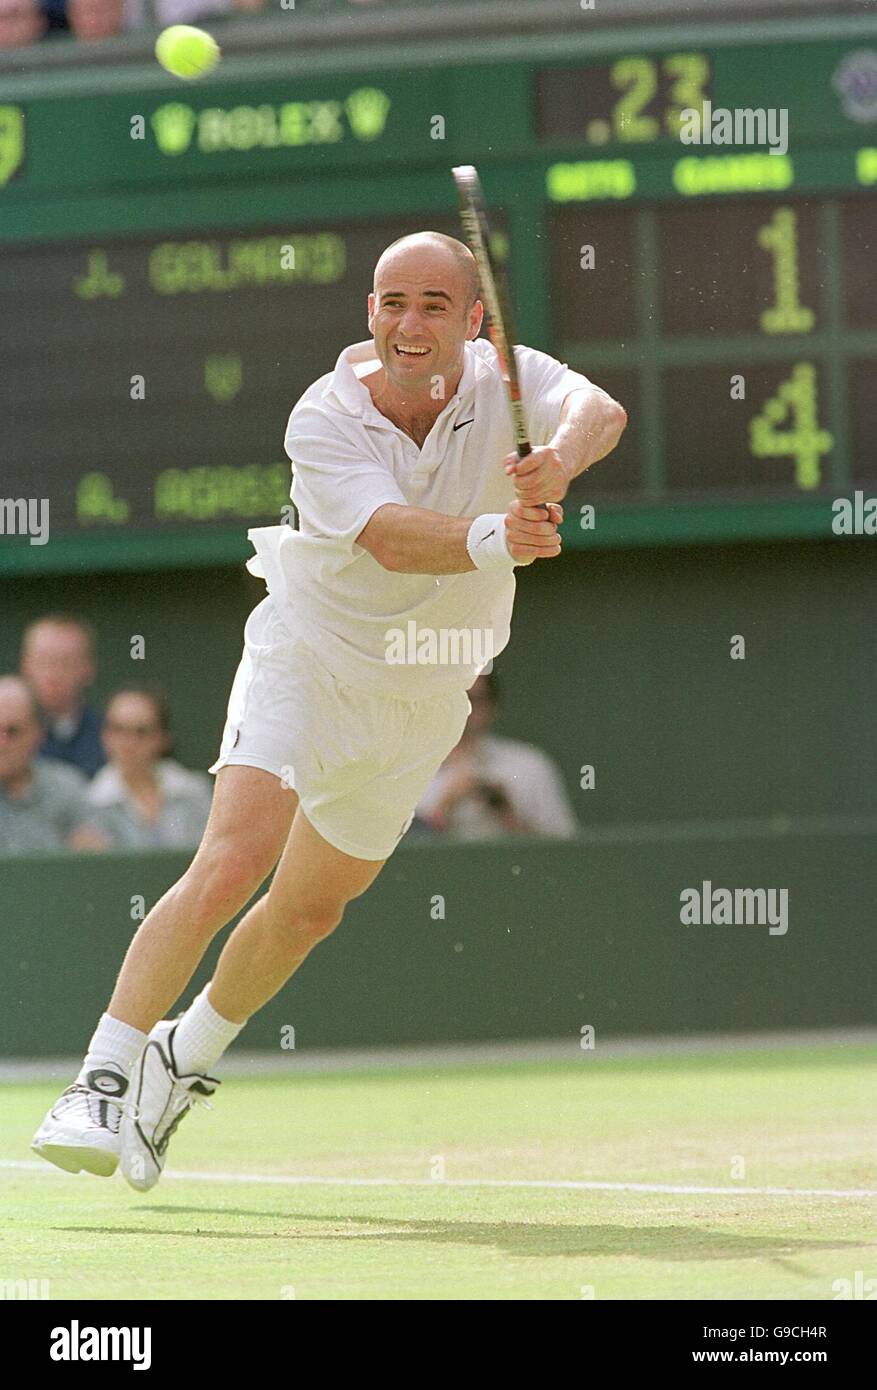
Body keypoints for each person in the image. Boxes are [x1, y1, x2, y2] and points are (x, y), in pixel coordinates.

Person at [32, 230, 626, 1187]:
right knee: (232, 861)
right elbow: (392, 539)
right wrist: (496, 533)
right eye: (393, 301)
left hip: (421, 693)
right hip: (305, 658)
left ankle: (181, 1062)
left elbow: (600, 409)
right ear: (369, 314)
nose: (410, 322)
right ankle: (100, 1080)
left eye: (435, 304)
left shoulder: (503, 377)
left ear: (473, 323)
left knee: (309, 910)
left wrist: (556, 461)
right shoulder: (324, 415)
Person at [415, 672, 578, 838]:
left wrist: (509, 816)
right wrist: (443, 807)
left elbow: (564, 846)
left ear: (492, 706)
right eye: (454, 700)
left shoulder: (530, 765)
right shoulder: (406, 768)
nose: (465, 710)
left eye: (474, 700)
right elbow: (398, 852)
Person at [79, 688, 213, 851]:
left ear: (163, 738)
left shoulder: (195, 792)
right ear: (105, 735)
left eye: (142, 731)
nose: (129, 742)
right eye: (119, 729)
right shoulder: (88, 802)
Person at [0, 676, 92, 855]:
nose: (2, 743)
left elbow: (93, 860)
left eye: (12, 732)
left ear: (38, 733)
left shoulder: (66, 788)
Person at [20, 615, 105, 779]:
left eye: (66, 662)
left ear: (88, 668)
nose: (53, 673)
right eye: (44, 661)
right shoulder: (6, 734)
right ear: (26, 665)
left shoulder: (109, 735)